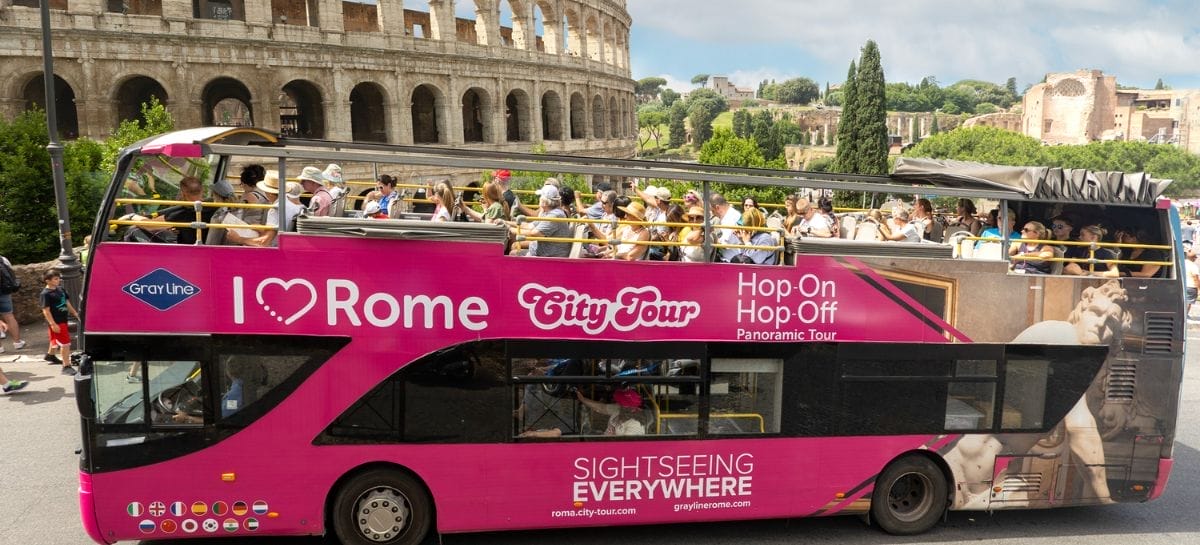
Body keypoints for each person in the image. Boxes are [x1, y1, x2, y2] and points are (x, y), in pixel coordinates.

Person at [224, 170, 303, 247]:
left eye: (265, 191)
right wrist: (260, 228)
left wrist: (238, 239)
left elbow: (264, 242)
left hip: (275, 250)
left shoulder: (275, 209)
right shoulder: (292, 205)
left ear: (271, 193)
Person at [503, 185, 572, 257]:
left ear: (545, 201)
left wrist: (509, 229)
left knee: (513, 253)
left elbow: (534, 233)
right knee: (514, 248)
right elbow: (529, 226)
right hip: (544, 250)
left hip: (549, 255)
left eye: (540, 197)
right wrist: (506, 223)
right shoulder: (548, 212)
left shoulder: (554, 215)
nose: (539, 199)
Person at [40, 270, 80, 376]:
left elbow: (66, 302)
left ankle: (50, 355)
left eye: (58, 278)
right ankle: (66, 366)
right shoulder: (45, 294)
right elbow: (46, 310)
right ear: (47, 281)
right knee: (65, 343)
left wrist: (75, 313)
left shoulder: (61, 289)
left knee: (56, 340)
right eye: (55, 279)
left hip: (63, 319)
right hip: (56, 322)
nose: (58, 280)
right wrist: (53, 324)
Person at [575, 387, 645, 436]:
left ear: (630, 408)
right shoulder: (618, 409)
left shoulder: (635, 424)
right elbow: (601, 407)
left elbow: (627, 447)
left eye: (622, 403)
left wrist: (612, 438)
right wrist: (583, 400)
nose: (618, 404)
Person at [0, 254, 25, 354]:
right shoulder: (2, 259)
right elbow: (10, 272)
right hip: (4, 291)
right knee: (9, 316)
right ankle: (17, 342)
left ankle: (0, 348)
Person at [709, 194, 742, 262]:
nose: (713, 214)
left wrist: (709, 238)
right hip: (733, 257)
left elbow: (724, 244)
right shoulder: (732, 213)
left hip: (731, 260)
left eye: (713, 211)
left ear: (717, 207)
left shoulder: (729, 219)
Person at [1185, 243, 1199, 317]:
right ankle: (1185, 315)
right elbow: (1195, 278)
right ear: (1193, 258)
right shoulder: (1193, 266)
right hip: (1191, 286)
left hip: (1183, 285)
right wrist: (1199, 288)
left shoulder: (1183, 263)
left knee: (1183, 300)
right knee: (1189, 302)